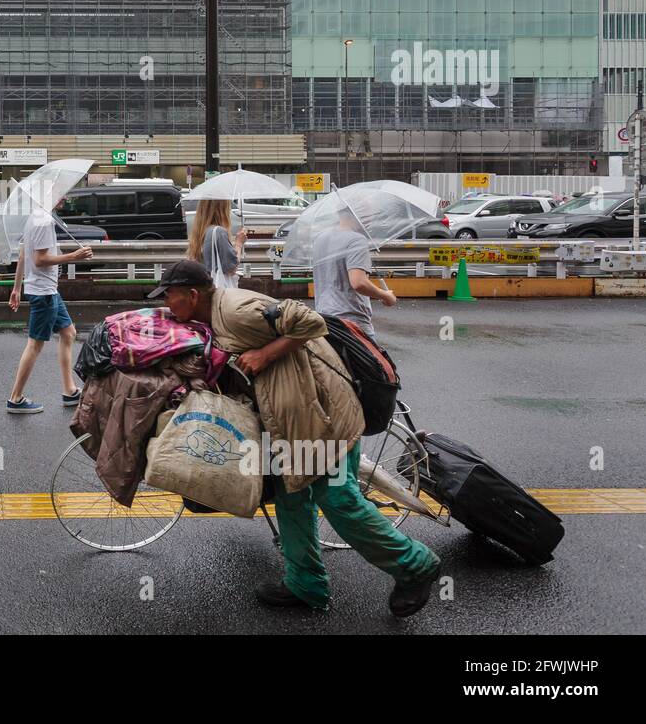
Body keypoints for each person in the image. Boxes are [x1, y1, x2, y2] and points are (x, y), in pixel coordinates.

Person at [153, 260, 442, 617]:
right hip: (290, 424)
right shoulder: (215, 313)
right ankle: (306, 583)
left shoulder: (236, 309)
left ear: (192, 294)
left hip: (320, 420)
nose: (168, 305)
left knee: (339, 500)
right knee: (292, 497)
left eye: (170, 296)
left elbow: (310, 321)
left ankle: (415, 565)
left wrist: (264, 354)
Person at [5, 204, 93, 414]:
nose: (62, 198)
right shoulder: (42, 221)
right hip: (43, 293)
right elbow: (40, 259)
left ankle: (69, 390)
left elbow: (23, 256)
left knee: (68, 333)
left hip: (48, 290)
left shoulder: (34, 217)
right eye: (58, 193)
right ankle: (15, 398)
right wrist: (75, 256)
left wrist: (17, 288)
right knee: (34, 345)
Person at [311, 210, 396, 339]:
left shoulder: (321, 238)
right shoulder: (356, 240)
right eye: (368, 213)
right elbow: (358, 283)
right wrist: (386, 296)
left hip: (324, 318)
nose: (371, 218)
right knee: (369, 359)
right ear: (357, 213)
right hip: (352, 322)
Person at [187, 198, 246, 289]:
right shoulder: (219, 232)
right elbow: (231, 268)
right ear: (221, 209)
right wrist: (239, 243)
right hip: (218, 289)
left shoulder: (200, 232)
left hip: (204, 287)